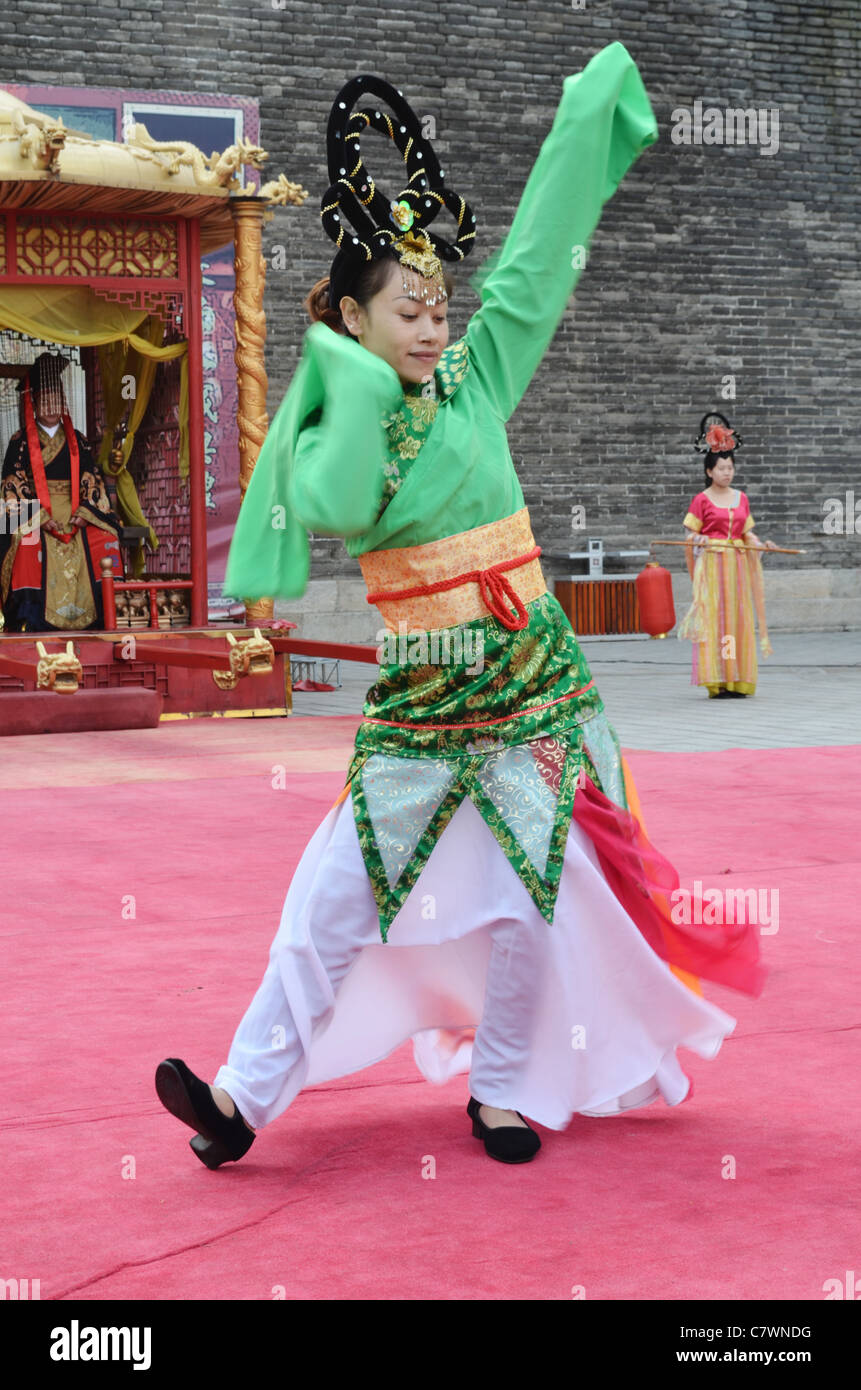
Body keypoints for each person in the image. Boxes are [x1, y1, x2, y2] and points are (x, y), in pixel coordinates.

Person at [156, 45, 765, 1169]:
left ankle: (501, 1094)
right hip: (422, 699)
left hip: (530, 691)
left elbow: (535, 264)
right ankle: (238, 1098)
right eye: (408, 308)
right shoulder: (340, 427)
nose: (435, 325)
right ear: (354, 315)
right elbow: (304, 504)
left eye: (440, 305)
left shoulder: (481, 379)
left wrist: (591, 117)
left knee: (529, 908)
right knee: (333, 895)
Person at [0, 352, 124, 631]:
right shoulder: (19, 442)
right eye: (45, 400)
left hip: (75, 507)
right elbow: (11, 483)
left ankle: (106, 612)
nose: (52, 406)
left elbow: (91, 478)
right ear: (34, 403)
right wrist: (39, 518)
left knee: (107, 534)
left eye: (57, 400)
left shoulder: (77, 439)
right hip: (35, 511)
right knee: (25, 543)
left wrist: (86, 513)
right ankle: (29, 617)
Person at [679, 414, 776, 698]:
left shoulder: (741, 498)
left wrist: (760, 545)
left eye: (730, 468)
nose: (727, 473)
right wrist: (699, 539)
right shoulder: (701, 500)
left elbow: (748, 535)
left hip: (736, 567)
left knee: (737, 619)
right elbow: (689, 536)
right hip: (712, 566)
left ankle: (737, 679)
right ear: (710, 471)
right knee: (716, 620)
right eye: (722, 468)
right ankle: (718, 680)